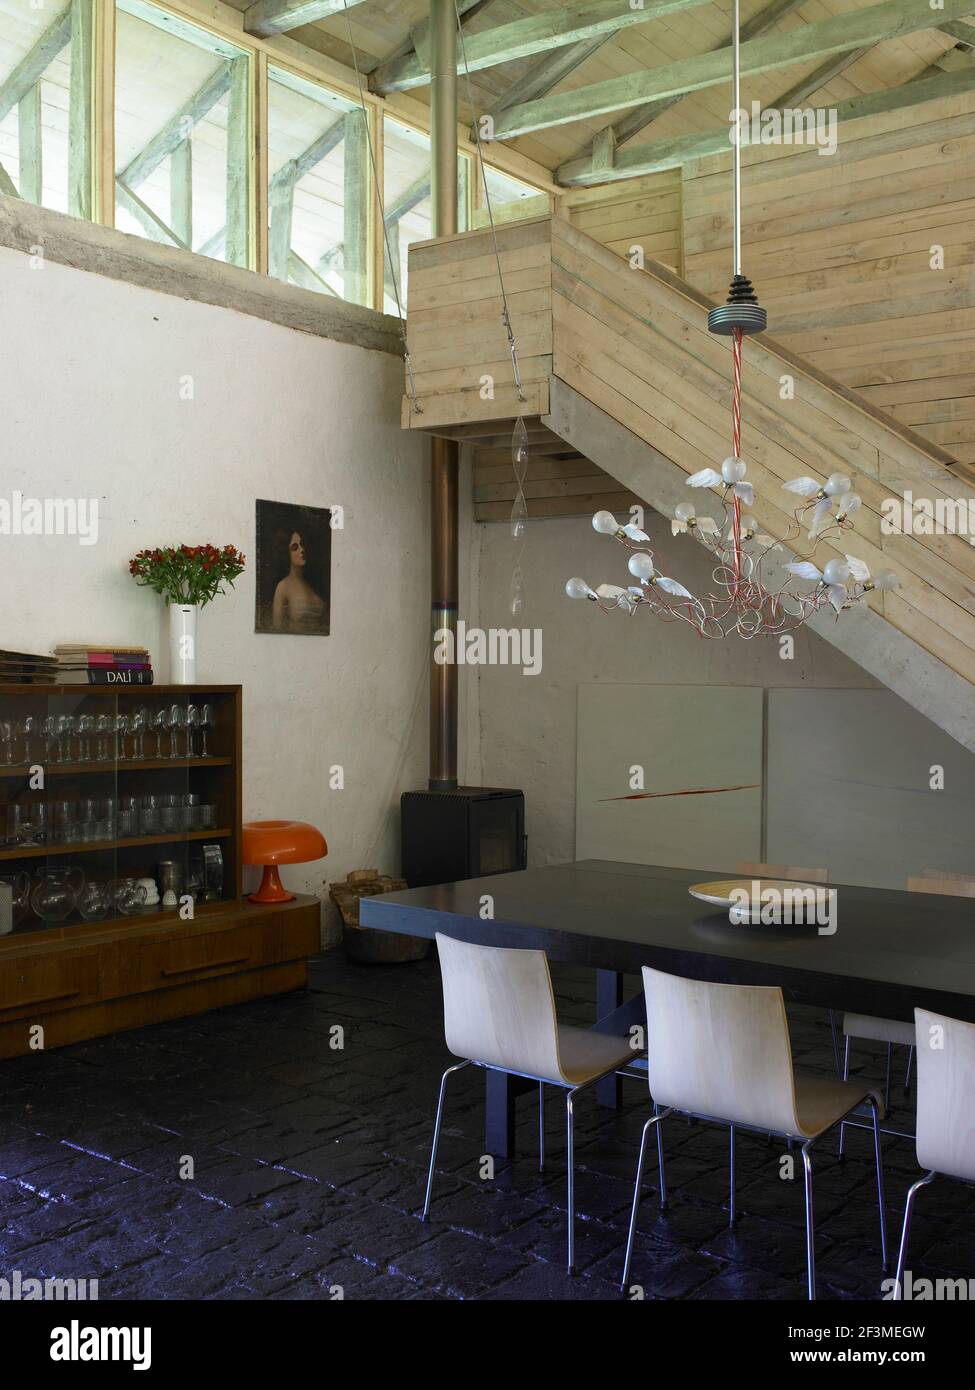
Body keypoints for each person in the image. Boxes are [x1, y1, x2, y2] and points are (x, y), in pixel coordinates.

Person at [271, 530, 327, 633]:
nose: (301, 550)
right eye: (295, 547)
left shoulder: (314, 586)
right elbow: (277, 629)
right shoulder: (283, 587)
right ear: (287, 554)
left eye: (303, 545)